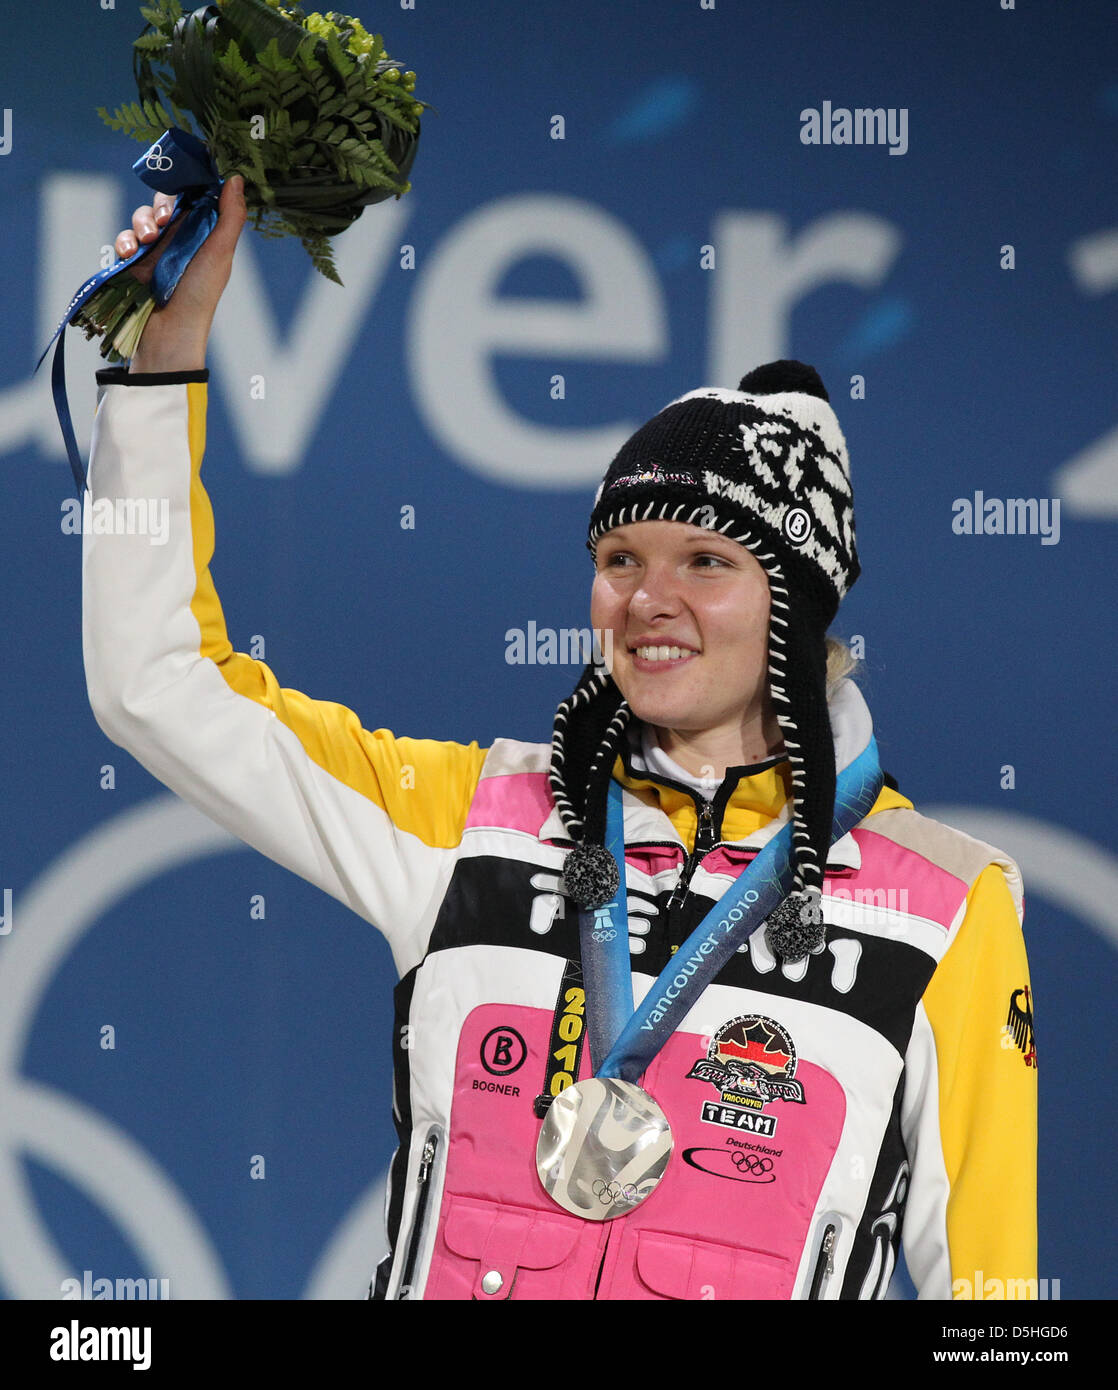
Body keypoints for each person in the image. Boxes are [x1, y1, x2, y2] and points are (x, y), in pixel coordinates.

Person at [82, 176, 1038, 1300]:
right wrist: (164, 356)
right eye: (619, 557)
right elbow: (156, 680)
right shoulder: (469, 820)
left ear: (799, 605)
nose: (647, 599)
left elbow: (987, 1299)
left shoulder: (942, 907)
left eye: (707, 562)